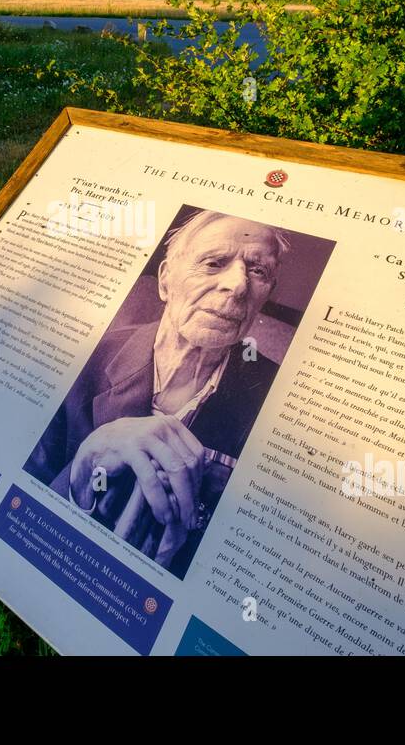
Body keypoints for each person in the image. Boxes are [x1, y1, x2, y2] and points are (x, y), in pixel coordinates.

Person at [24, 210, 289, 577]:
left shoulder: (281, 398)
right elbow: (19, 500)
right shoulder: (80, 355)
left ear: (266, 296)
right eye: (214, 263)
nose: (238, 285)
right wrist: (80, 474)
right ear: (165, 281)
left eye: (258, 272)